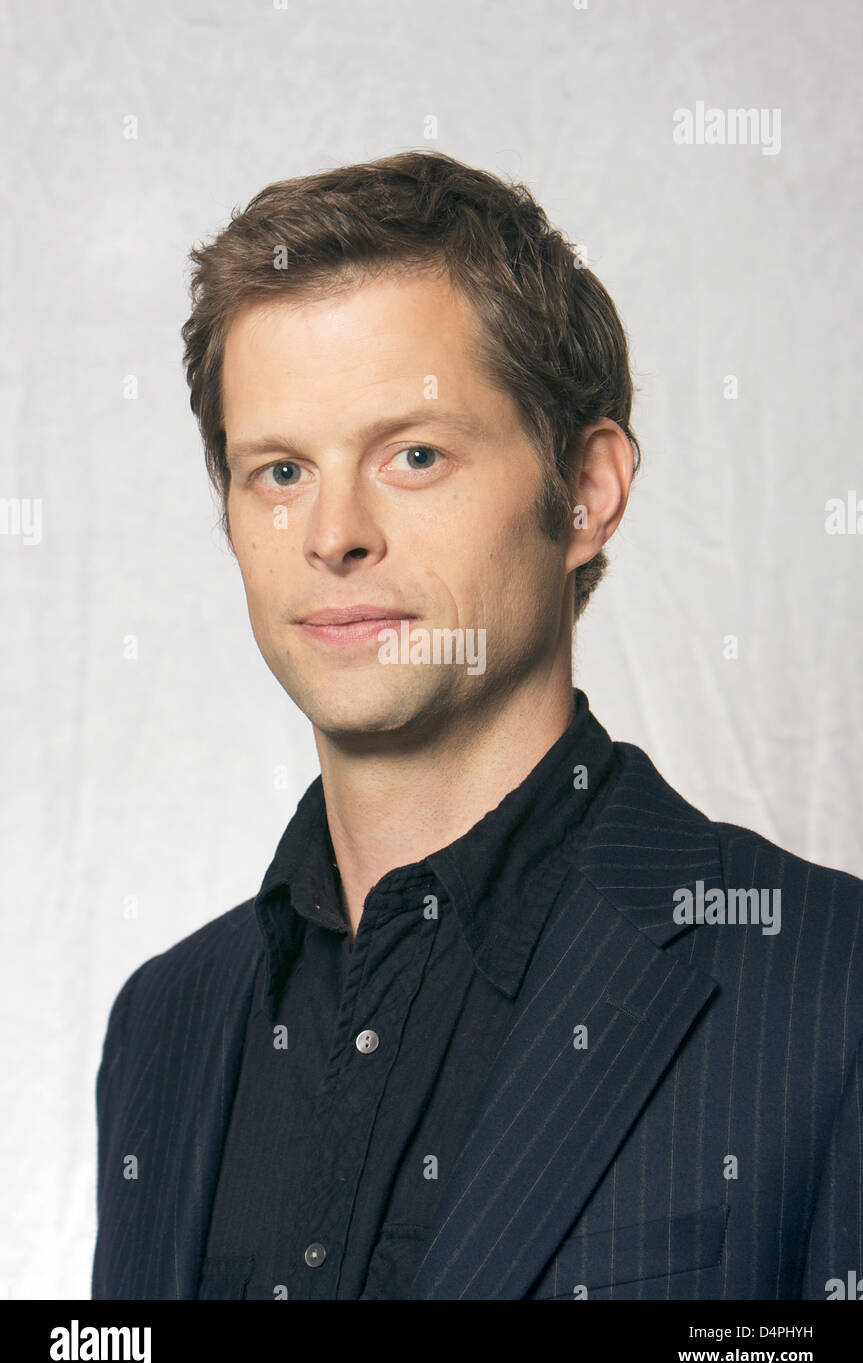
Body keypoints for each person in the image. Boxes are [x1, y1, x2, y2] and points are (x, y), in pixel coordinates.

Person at [91, 151, 863, 1301]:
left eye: (412, 454)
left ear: (584, 492)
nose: (332, 533)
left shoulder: (822, 984)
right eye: (281, 469)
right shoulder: (164, 1024)